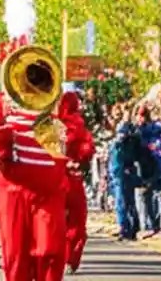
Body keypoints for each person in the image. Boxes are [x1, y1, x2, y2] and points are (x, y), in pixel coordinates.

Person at [0, 0, 68, 281]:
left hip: (48, 191)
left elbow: (66, 146)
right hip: (12, 189)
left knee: (51, 251)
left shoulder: (55, 104)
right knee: (16, 256)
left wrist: (77, 147)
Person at [58, 87, 95, 274]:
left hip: (57, 179)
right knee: (77, 220)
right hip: (72, 178)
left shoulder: (52, 126)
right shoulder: (80, 126)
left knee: (58, 221)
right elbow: (88, 149)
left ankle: (62, 257)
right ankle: (70, 257)